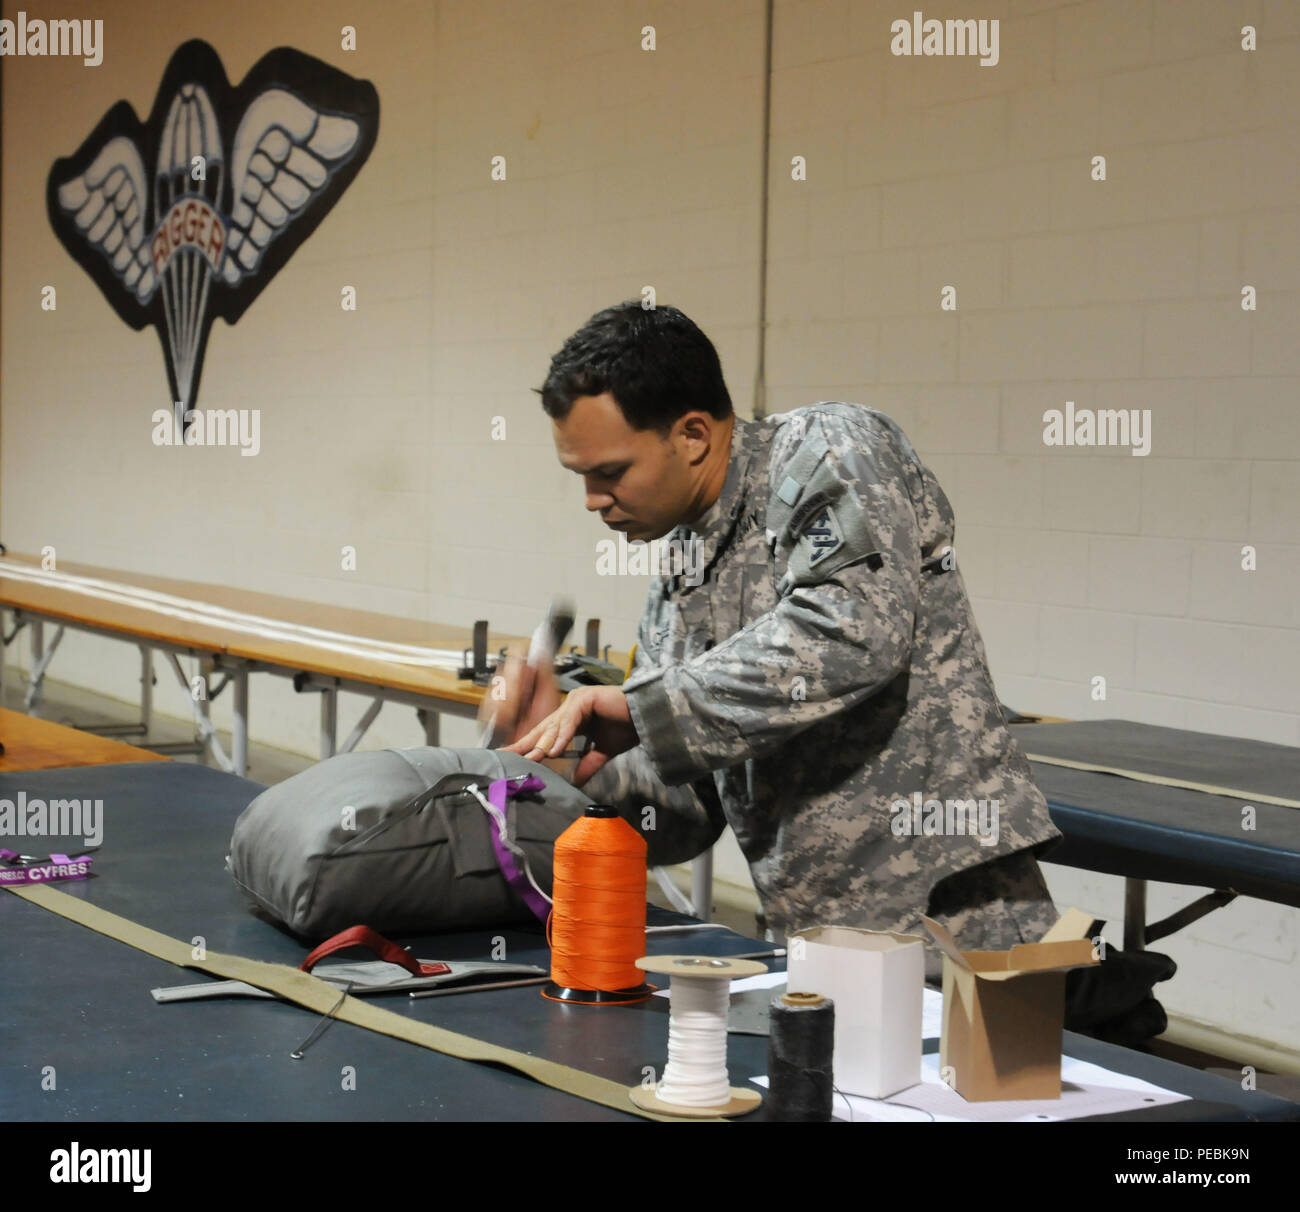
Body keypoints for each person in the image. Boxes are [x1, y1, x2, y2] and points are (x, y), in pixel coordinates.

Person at [497, 300, 1064, 982]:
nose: (592, 499)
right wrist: (571, 759)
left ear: (694, 434)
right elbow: (681, 816)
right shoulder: (682, 571)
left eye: (610, 472)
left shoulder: (827, 449)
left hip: (952, 912)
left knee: (993, 1090)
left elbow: (854, 629)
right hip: (818, 935)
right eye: (581, 477)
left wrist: (647, 708)